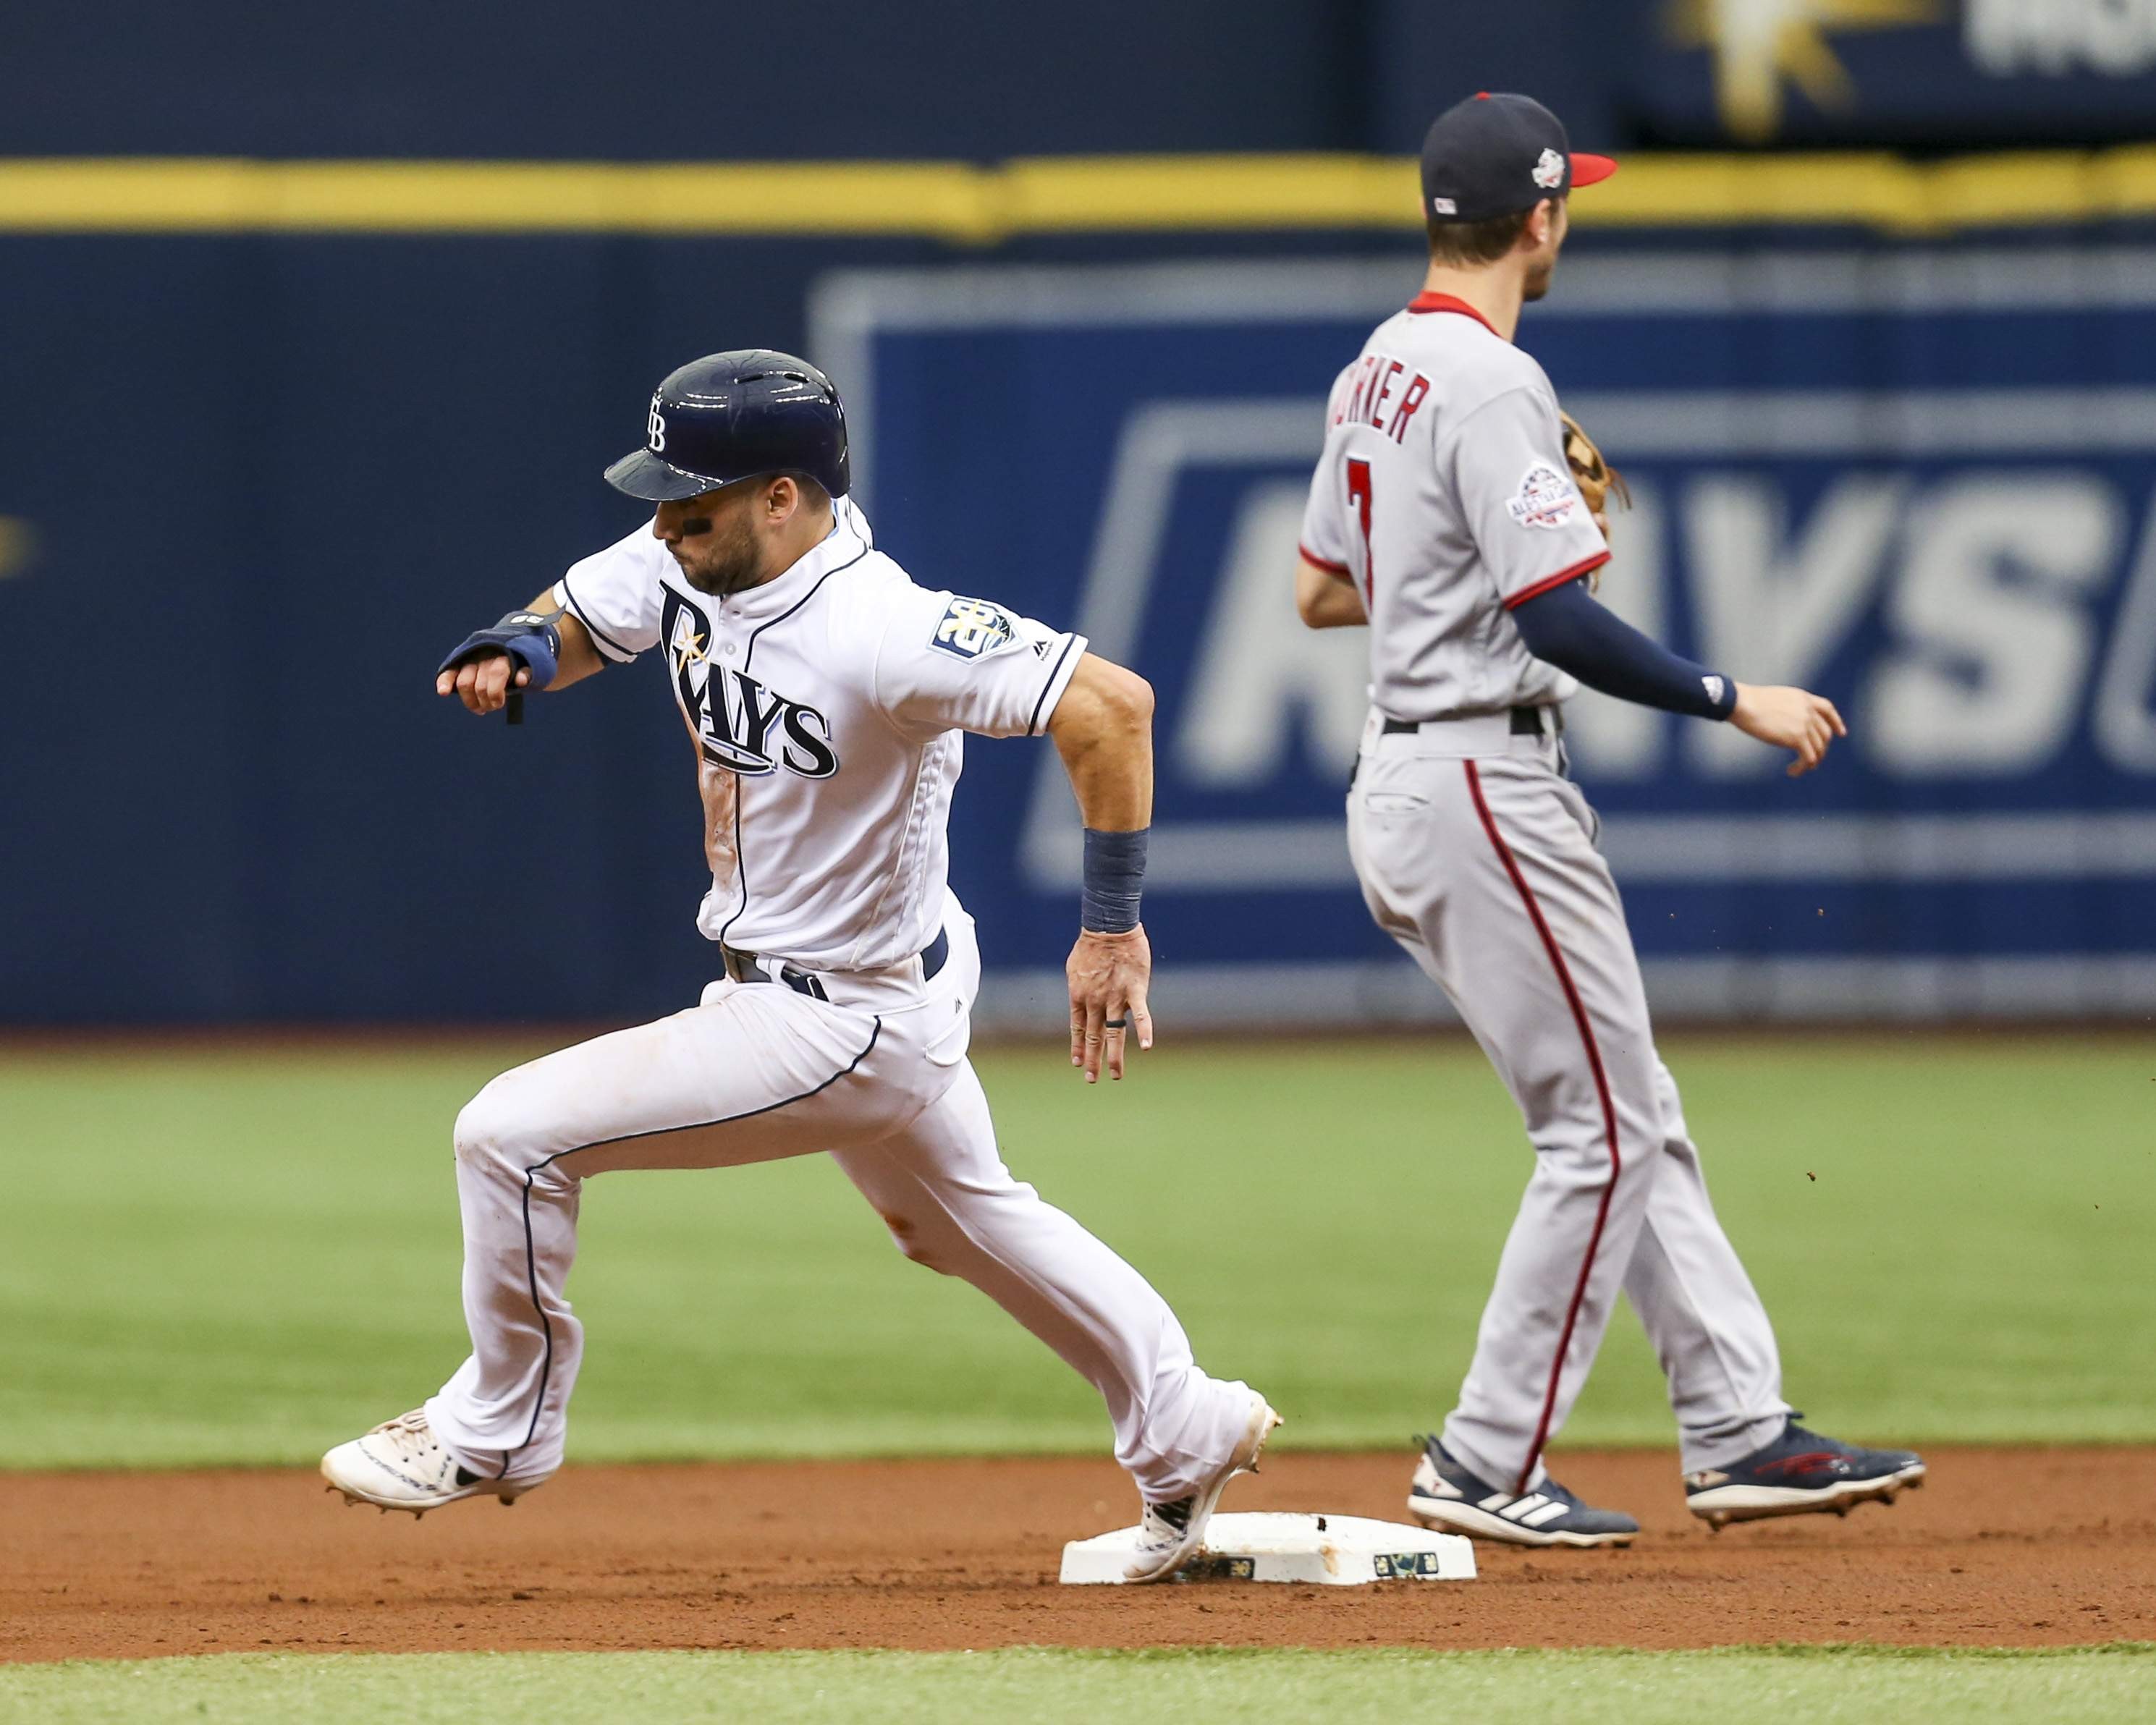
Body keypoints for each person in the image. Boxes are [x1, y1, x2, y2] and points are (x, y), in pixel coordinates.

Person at [321, 349, 1276, 1581]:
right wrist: (521, 648)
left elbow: (1112, 708)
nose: (666, 521)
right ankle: (1188, 1424)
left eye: (694, 499)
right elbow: (586, 618)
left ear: (785, 495)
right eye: (660, 496)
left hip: (845, 1017)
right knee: (962, 1224)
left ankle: (500, 1427)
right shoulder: (690, 558)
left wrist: (1109, 928)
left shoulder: (885, 627)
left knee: (507, 1137)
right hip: (829, 982)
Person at [1294, 94, 1922, 1546]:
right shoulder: (1492, 380)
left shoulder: (1376, 368)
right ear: (1540, 220)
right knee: (1598, 1127)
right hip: (1478, 780)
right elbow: (1556, 620)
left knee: (1624, 1110)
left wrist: (1459, 549)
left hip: (1409, 778)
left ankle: (1736, 1426)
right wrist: (1728, 694)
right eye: (1563, 197)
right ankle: (1480, 1457)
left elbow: (1321, 588)